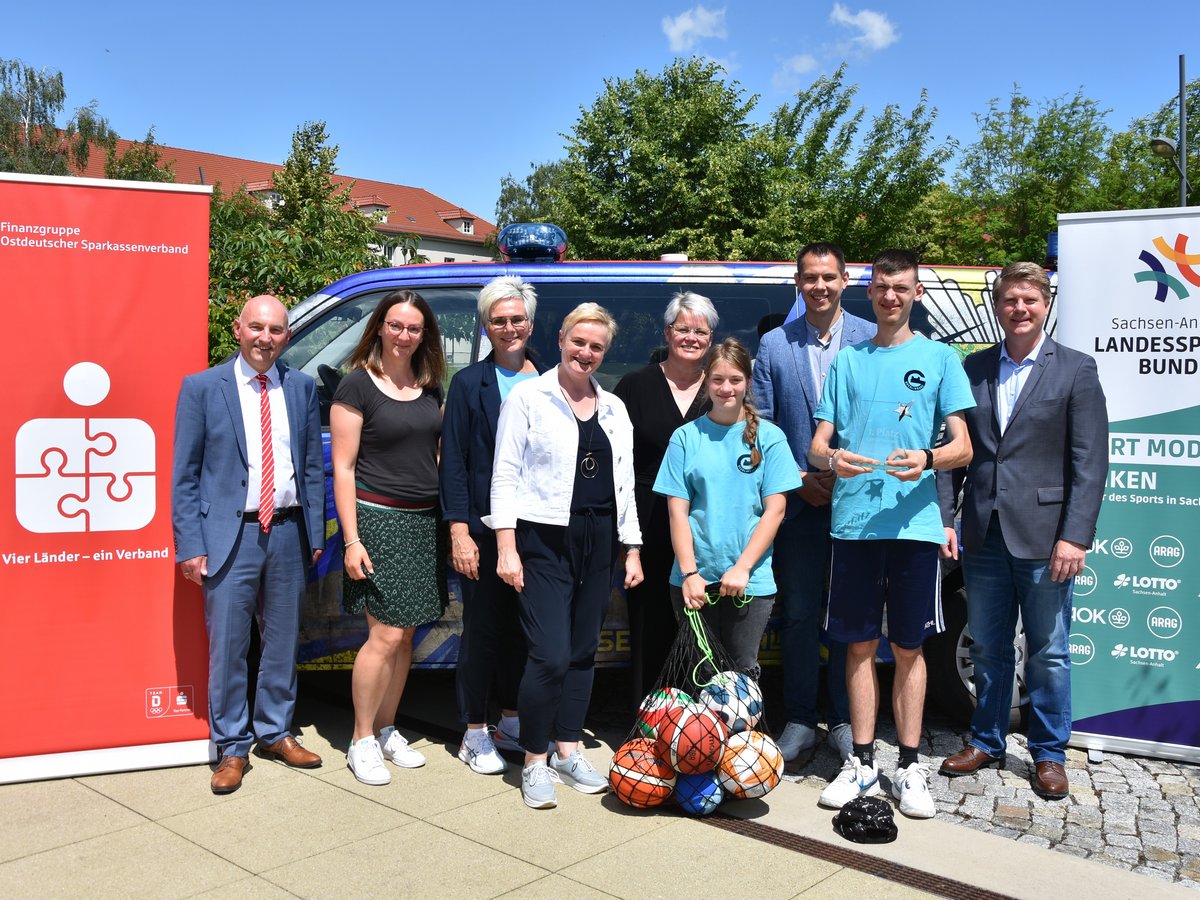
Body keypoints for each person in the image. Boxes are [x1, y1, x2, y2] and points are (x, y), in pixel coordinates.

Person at [808, 249, 974, 819]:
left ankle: (908, 765)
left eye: (901, 287)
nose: (891, 296)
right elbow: (816, 446)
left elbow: (963, 447)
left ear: (917, 292)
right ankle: (860, 762)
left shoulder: (942, 358)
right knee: (856, 644)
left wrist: (927, 458)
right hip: (853, 525)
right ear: (870, 291)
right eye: (882, 286)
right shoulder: (848, 361)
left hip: (915, 526)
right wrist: (833, 460)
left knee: (908, 645)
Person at [937, 262, 1107, 800]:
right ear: (997, 305)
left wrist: (1075, 536)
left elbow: (1090, 462)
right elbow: (955, 454)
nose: (1020, 309)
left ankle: (1049, 752)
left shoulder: (1075, 370)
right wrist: (946, 518)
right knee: (988, 646)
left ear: (1045, 304)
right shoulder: (974, 367)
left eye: (1030, 300)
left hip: (1046, 536)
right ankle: (986, 740)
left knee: (1049, 650)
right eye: (1010, 300)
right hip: (983, 533)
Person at [487, 303, 644, 809]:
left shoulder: (615, 408)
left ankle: (568, 748)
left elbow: (626, 483)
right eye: (580, 342)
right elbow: (505, 474)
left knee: (581, 652)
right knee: (549, 654)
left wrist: (633, 547)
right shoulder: (530, 397)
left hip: (600, 539)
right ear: (561, 339)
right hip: (544, 538)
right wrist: (506, 547)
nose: (587, 352)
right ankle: (533, 759)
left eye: (597, 346)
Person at [172, 295, 325, 794]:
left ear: (286, 336)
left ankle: (275, 732)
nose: (266, 338)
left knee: (282, 642)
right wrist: (190, 544)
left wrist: (314, 531)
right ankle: (231, 746)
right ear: (238, 329)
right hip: (228, 535)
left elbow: (310, 467)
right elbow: (185, 477)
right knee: (230, 645)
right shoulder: (201, 388)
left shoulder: (300, 387)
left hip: (286, 530)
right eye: (257, 327)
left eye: (276, 330)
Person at [752, 241, 877, 763]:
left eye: (829, 277)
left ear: (845, 280)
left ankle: (847, 720)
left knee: (851, 616)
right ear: (798, 284)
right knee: (801, 614)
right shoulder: (774, 345)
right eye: (810, 278)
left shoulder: (875, 339)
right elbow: (759, 424)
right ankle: (802, 719)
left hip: (862, 504)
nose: (820, 286)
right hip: (800, 506)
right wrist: (800, 478)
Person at [331, 290, 448, 786]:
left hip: (424, 523)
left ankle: (385, 729)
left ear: (425, 335)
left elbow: (436, 456)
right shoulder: (357, 385)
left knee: (406, 639)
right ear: (380, 327)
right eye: (396, 325)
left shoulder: (430, 387)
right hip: (378, 520)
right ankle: (360, 739)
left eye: (414, 328)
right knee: (384, 635)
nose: (404, 335)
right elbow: (343, 467)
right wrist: (352, 541)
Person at [441, 276, 543, 775]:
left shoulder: (551, 379)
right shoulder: (467, 384)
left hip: (538, 532)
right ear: (486, 327)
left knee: (523, 634)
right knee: (482, 631)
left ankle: (511, 719)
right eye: (499, 320)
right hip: (482, 532)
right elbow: (454, 464)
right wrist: (458, 532)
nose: (509, 328)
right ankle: (474, 730)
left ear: (531, 322)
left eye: (517, 319)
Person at [654, 337, 800, 680]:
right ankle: (702, 737)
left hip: (749, 580)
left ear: (748, 382)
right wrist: (689, 575)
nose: (726, 388)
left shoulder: (771, 438)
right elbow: (677, 512)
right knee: (699, 673)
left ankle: (739, 736)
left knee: (741, 674)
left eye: (735, 379)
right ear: (706, 381)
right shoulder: (685, 437)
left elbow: (775, 511)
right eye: (718, 379)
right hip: (694, 580)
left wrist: (743, 568)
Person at [613, 291, 716, 705]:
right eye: (682, 329)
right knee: (649, 624)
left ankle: (699, 725)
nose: (690, 337)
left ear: (710, 338)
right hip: (649, 523)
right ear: (667, 332)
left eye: (700, 331)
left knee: (701, 628)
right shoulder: (635, 386)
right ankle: (650, 720)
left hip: (708, 526)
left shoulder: (722, 388)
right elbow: (616, 460)